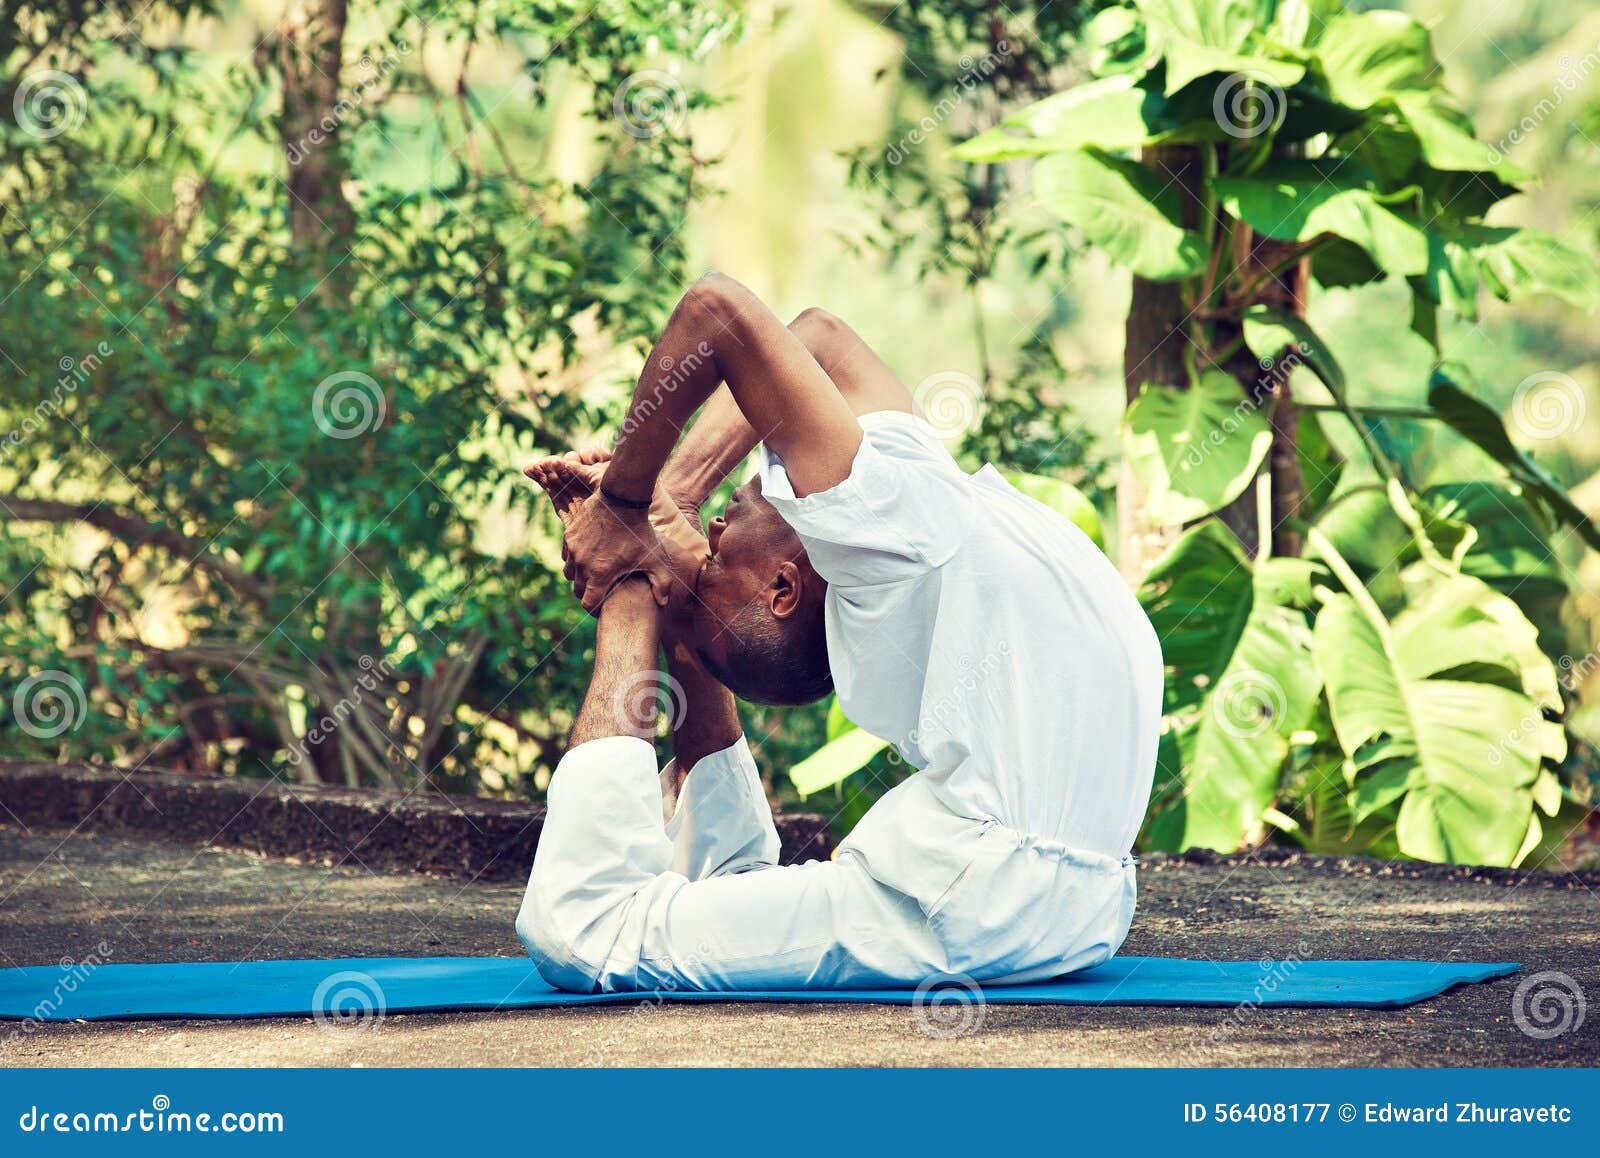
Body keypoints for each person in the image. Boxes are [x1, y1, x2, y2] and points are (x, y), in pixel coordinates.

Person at [516, 273, 1163, 993]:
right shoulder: (916, 499)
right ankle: (656, 596)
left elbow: (717, 311)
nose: (715, 526)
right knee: (725, 900)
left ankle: (635, 594)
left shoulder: (883, 518)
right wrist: (672, 510)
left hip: (984, 896)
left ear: (786, 587)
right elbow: (817, 339)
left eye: (717, 533)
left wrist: (626, 522)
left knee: (585, 929)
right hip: (1080, 909)